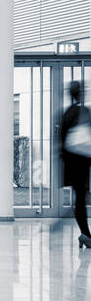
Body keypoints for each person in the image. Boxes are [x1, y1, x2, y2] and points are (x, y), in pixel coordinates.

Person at [60, 80, 91, 248]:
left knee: (80, 197)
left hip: (72, 163)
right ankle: (86, 235)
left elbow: (62, 141)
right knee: (81, 198)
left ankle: (85, 234)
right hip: (83, 162)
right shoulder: (84, 111)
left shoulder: (67, 113)